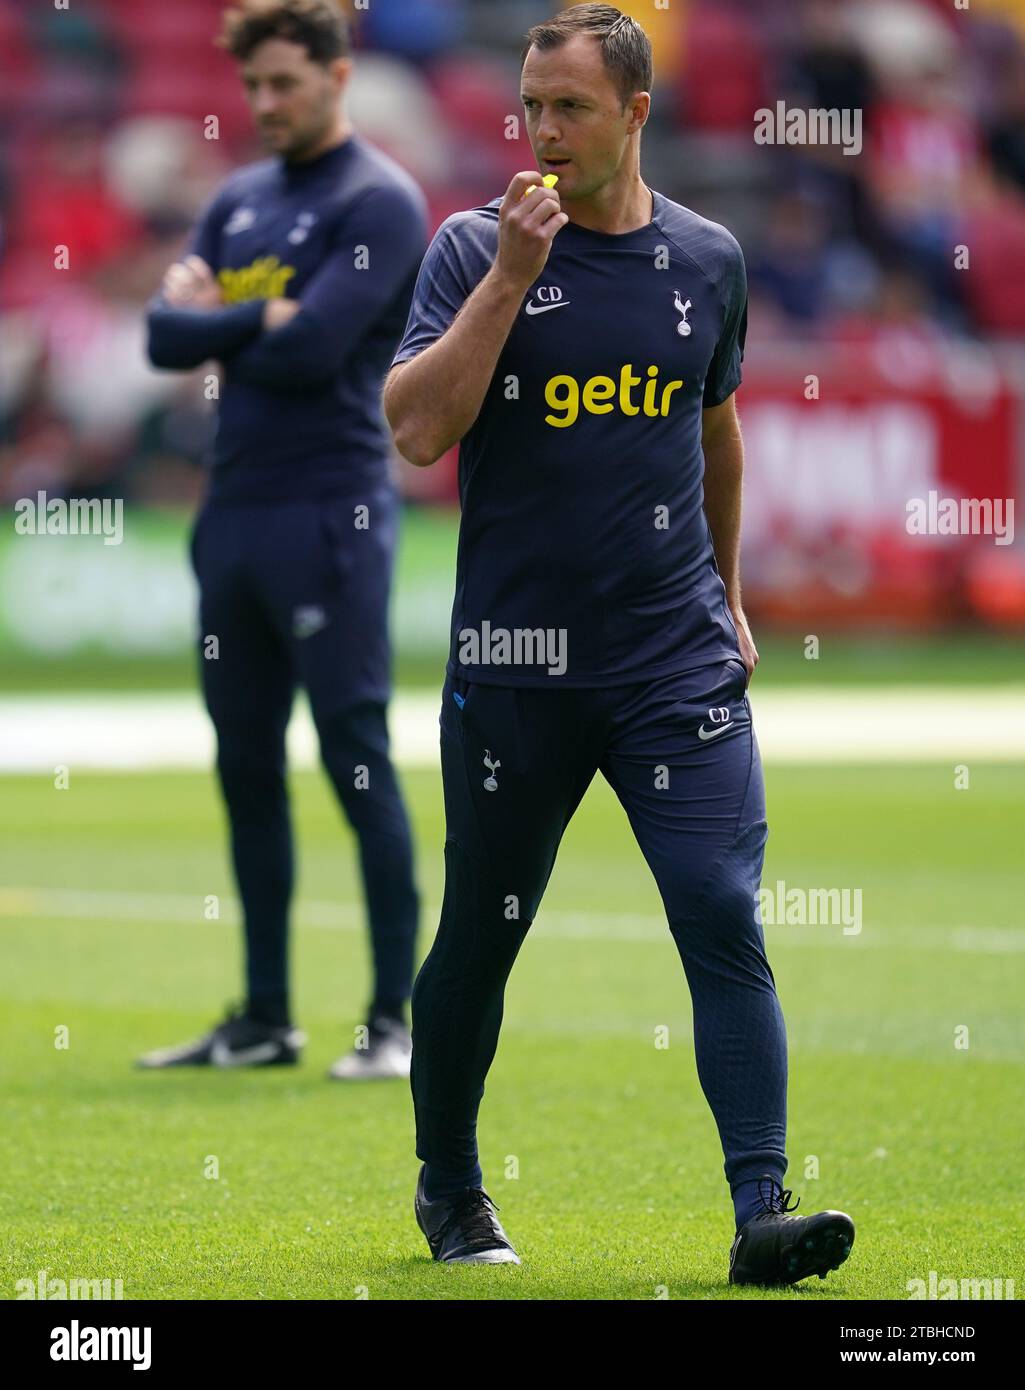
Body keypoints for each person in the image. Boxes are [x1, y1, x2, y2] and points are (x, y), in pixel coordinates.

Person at [384, 4, 855, 1281]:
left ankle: (760, 1208)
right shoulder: (471, 246)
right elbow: (418, 431)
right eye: (529, 107)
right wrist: (505, 283)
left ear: (635, 114)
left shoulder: (707, 259)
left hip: (671, 660)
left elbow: (715, 430)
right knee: (482, 930)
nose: (540, 133)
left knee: (717, 904)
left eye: (570, 108)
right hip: (516, 667)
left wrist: (732, 592)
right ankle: (450, 1188)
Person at [140, 0, 425, 1080]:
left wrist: (248, 322)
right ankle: (263, 1016)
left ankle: (390, 1021)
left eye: (285, 85)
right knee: (244, 763)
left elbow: (311, 353)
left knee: (355, 756)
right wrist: (250, 320)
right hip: (234, 515)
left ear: (337, 77)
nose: (264, 105)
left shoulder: (379, 200)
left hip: (330, 512)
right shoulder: (240, 198)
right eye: (253, 87)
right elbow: (161, 335)